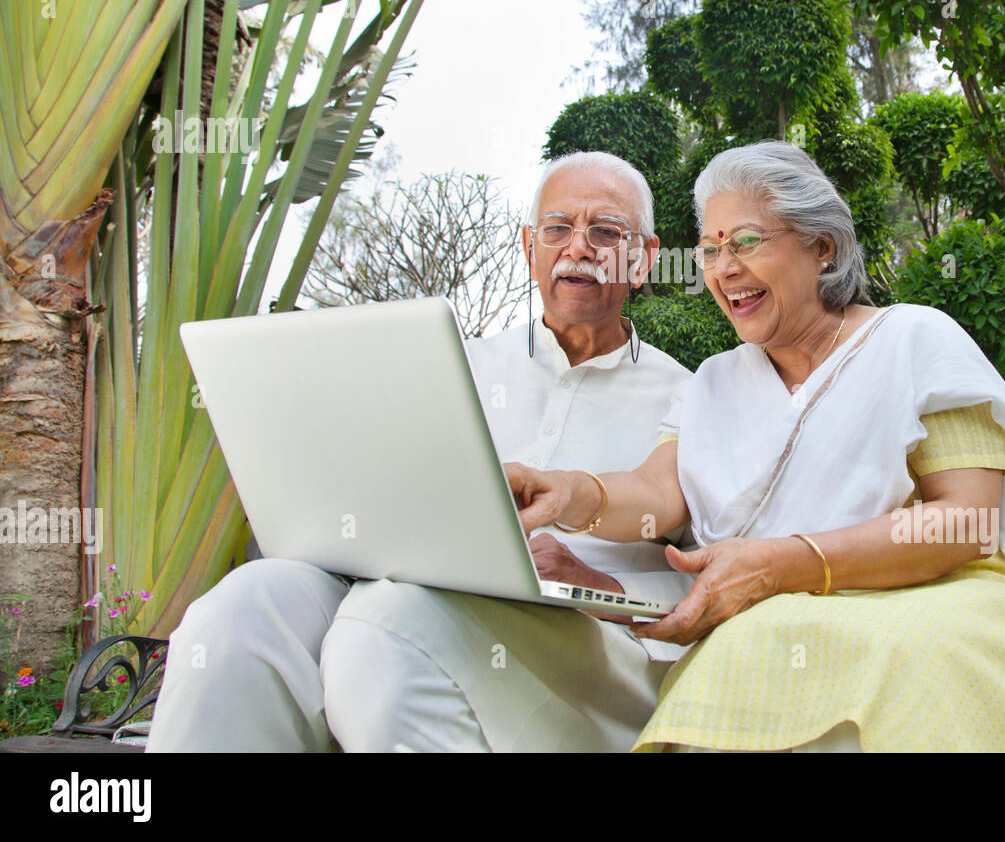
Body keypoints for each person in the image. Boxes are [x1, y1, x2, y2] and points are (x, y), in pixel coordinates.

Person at [508, 141, 1005, 753]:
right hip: (781, 620)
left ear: (823, 246)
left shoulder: (913, 339)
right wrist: (571, 493)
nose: (724, 268)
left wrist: (787, 565)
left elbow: (964, 519)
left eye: (747, 241)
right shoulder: (713, 386)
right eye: (712, 249)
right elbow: (657, 497)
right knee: (760, 650)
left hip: (941, 599)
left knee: (826, 659)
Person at [146, 151, 694, 752]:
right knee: (243, 607)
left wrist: (596, 586)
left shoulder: (686, 398)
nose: (577, 247)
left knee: (387, 629)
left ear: (642, 259)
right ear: (528, 247)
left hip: (586, 648)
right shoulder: (449, 366)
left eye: (606, 232)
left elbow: (704, 583)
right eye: (557, 228)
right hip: (397, 590)